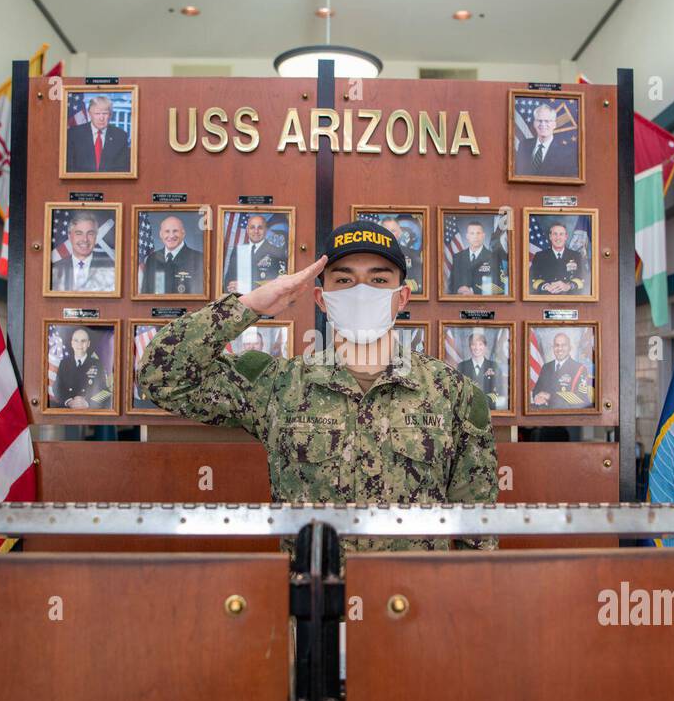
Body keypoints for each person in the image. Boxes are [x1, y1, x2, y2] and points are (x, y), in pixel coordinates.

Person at [137, 221, 499, 554]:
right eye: (343, 281)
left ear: (402, 297)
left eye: (378, 280)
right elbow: (160, 376)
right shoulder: (279, 385)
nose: (361, 292)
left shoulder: (452, 394)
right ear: (322, 299)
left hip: (413, 609)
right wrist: (251, 305)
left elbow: (477, 531)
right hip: (313, 609)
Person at [50, 210, 116, 292]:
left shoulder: (110, 266)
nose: (85, 239)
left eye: (90, 233)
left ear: (96, 236)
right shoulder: (56, 266)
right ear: (70, 236)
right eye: (79, 233)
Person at [223, 214, 288, 293]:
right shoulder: (238, 251)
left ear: (266, 230)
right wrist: (231, 288)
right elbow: (228, 281)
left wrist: (247, 287)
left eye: (260, 228)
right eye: (252, 227)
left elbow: (279, 284)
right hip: (239, 301)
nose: (256, 231)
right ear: (247, 230)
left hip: (264, 302)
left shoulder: (276, 252)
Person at [65, 95, 131, 173]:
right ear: (90, 114)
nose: (101, 118)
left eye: (105, 113)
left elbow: (123, 169)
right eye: (97, 113)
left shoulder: (120, 136)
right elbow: (69, 167)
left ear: (110, 115)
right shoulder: (74, 134)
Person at [140, 215, 204, 295]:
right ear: (161, 234)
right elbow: (145, 294)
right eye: (167, 231)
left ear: (183, 233)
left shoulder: (199, 259)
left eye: (175, 231)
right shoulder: (152, 259)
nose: (171, 236)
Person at [514, 102, 579, 178]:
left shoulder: (566, 152)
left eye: (547, 121)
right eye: (539, 120)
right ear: (534, 123)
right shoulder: (524, 145)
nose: (543, 124)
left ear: (554, 124)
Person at [531, 331, 592, 409]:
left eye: (563, 345)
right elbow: (536, 390)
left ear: (570, 348)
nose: (560, 349)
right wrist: (537, 396)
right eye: (557, 345)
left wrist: (550, 397)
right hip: (543, 415)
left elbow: (580, 399)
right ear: (553, 348)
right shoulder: (546, 367)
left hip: (565, 416)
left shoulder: (579, 369)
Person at [53, 327, 111, 410]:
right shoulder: (64, 363)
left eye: (83, 341)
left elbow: (105, 392)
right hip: (67, 411)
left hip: (89, 411)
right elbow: (57, 387)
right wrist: (69, 401)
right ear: (72, 343)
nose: (79, 344)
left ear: (88, 344)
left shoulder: (97, 364)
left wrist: (88, 402)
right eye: (76, 341)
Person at [447, 220, 508, 295]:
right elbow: (451, 286)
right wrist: (457, 291)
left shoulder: (494, 258)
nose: (475, 237)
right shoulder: (457, 257)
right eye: (472, 233)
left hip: (485, 304)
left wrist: (473, 291)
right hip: (459, 303)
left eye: (478, 233)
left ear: (483, 235)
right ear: (467, 236)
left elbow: (500, 287)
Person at [529, 222, 589, 295]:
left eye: (561, 234)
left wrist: (569, 286)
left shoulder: (577, 256)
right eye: (555, 234)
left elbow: (585, 278)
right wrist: (545, 286)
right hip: (546, 297)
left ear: (566, 237)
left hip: (570, 297)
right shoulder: (540, 256)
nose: (558, 238)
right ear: (550, 236)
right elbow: (531, 278)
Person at [456, 331, 502, 409]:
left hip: (488, 410)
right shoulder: (462, 366)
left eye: (480, 344)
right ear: (469, 346)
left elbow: (498, 391)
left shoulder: (494, 366)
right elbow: (459, 390)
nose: (477, 348)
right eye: (473, 344)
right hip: (467, 411)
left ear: (485, 347)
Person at [379, 215, 423, 294]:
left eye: (393, 231)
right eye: (386, 230)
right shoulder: (373, 255)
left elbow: (418, 284)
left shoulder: (412, 254)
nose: (389, 234)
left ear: (399, 233)